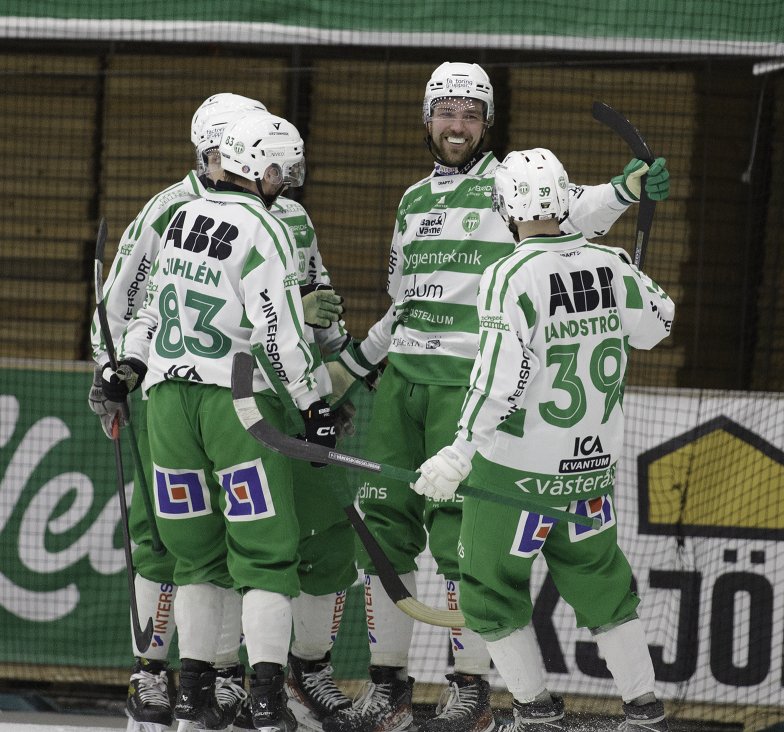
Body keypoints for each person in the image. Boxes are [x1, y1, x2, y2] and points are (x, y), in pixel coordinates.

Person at [325, 63, 670, 732]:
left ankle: (470, 688)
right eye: (446, 111)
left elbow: (574, 209)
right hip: (403, 382)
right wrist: (353, 366)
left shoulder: (510, 186)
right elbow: (405, 304)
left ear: (488, 124)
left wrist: (624, 189)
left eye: (471, 113)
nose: (457, 124)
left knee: (468, 544)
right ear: (427, 118)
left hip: (476, 380)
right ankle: (390, 688)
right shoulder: (412, 200)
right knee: (386, 532)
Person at [90, 93, 360, 732]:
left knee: (194, 557)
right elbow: (277, 334)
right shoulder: (255, 224)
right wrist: (316, 404)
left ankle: (194, 692)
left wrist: (123, 369)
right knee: (264, 552)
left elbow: (152, 307)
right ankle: (258, 698)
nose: (287, 185)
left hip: (167, 398)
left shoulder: (186, 217)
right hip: (237, 402)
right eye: (283, 173)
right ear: (259, 165)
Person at [411, 147, 675, 731]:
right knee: (601, 579)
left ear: (506, 205)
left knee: (487, 584)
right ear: (564, 198)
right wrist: (629, 276)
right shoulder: (610, 264)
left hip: (516, 476)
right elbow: (659, 326)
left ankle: (533, 711)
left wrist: (459, 451)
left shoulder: (509, 274)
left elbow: (497, 378)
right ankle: (644, 705)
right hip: (591, 471)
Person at [88, 92, 268, 732]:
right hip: (167, 390)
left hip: (238, 402)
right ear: (206, 149)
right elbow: (121, 296)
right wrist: (111, 374)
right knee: (164, 536)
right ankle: (150, 673)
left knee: (234, 540)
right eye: (225, 148)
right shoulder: (170, 208)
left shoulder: (267, 208)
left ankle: (220, 678)